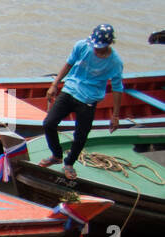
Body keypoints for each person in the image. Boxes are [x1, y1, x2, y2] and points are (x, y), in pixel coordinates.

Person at [38, 23, 124, 179]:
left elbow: (118, 88)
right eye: (95, 46)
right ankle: (56, 155)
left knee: (81, 135)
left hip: (89, 100)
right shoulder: (82, 46)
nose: (96, 49)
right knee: (49, 123)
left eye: (100, 47)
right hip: (70, 90)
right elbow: (68, 64)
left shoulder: (115, 62)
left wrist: (115, 115)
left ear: (109, 44)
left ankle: (69, 163)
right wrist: (54, 84)